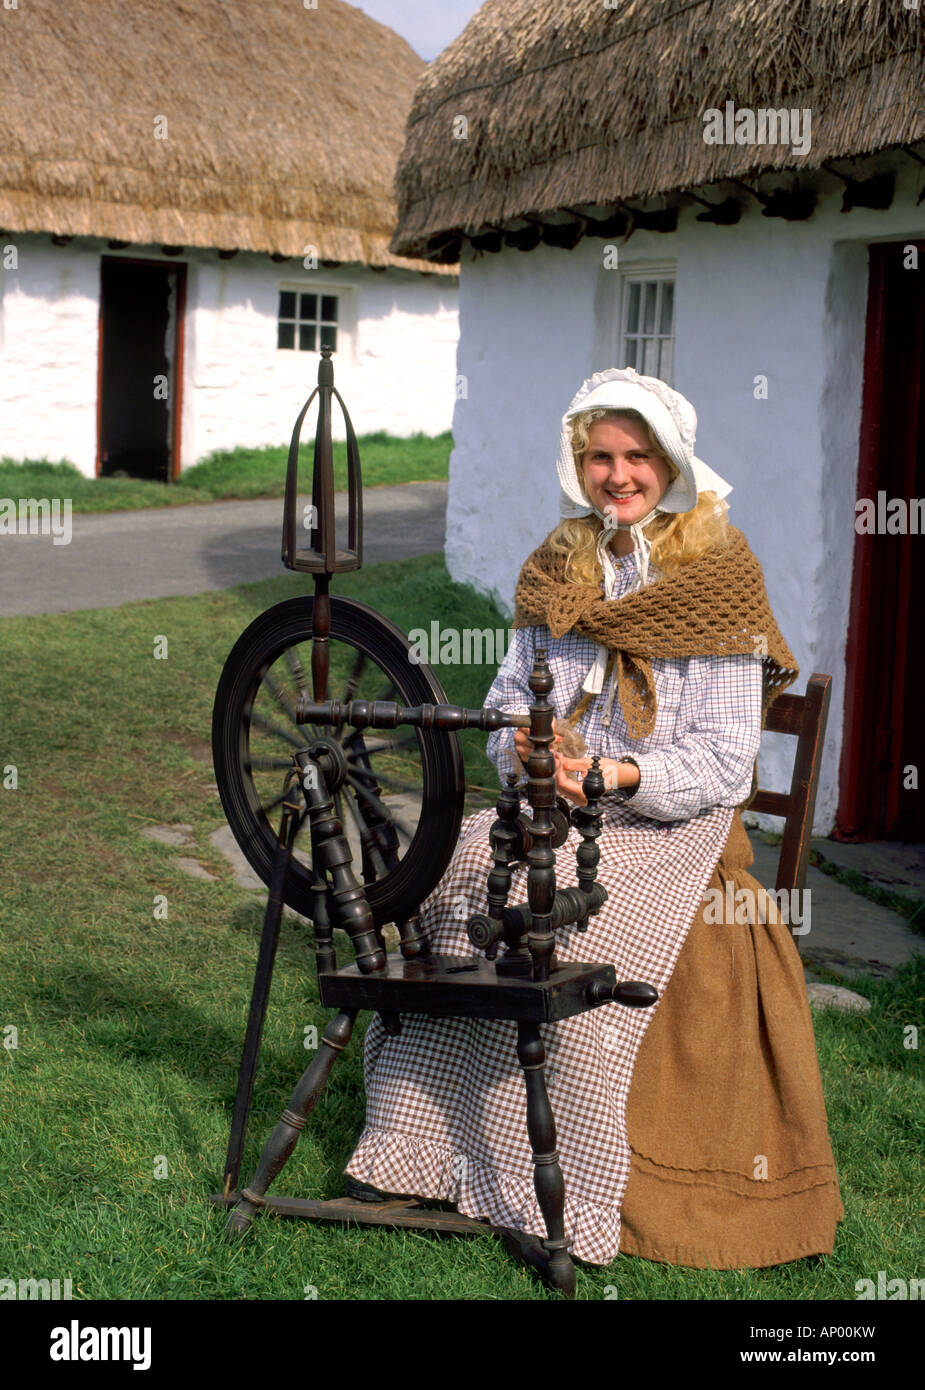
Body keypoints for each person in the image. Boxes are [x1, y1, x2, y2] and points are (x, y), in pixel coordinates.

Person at [344, 366, 843, 1269]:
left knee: (580, 922)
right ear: (579, 464)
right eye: (600, 457)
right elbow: (505, 703)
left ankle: (558, 1191)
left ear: (671, 463)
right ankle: (421, 1148)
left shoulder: (718, 573)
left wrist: (612, 772)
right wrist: (533, 760)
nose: (618, 475)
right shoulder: (558, 564)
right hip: (553, 811)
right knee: (447, 878)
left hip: (668, 826)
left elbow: (728, 763)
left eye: (637, 457)